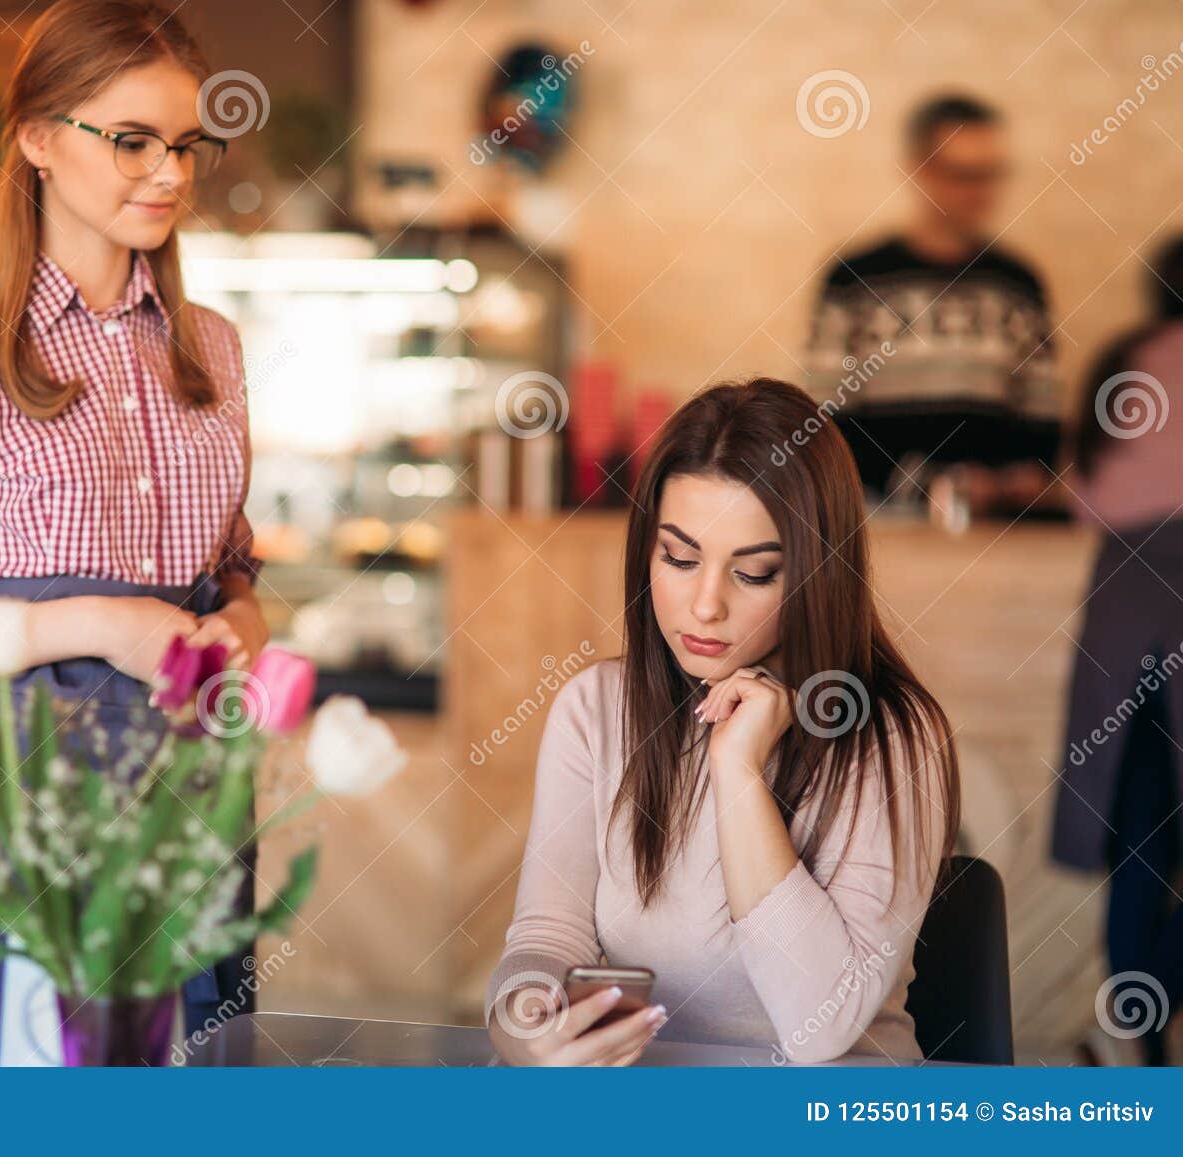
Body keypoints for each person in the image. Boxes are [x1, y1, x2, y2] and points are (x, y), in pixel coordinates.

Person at [0, 0, 267, 1052]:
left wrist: (239, 631)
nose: (167, 172)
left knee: (190, 1074)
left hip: (193, 788)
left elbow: (237, 569)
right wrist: (98, 625)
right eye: (130, 141)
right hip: (20, 798)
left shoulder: (214, 347)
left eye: (184, 144)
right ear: (34, 140)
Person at [486, 378, 960, 1066]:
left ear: (816, 573)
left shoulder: (891, 737)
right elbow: (543, 941)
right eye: (679, 558)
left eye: (755, 573)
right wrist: (529, 1029)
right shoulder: (597, 709)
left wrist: (738, 773)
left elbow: (818, 1028)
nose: (704, 605)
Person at [1052, 236, 1183, 1066]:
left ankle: (1132, 1038)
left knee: (1138, 843)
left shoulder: (1123, 360)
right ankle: (1139, 1032)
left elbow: (1084, 496)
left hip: (1119, 608)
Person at [805, 93, 1061, 515]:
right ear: (917, 169)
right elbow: (826, 424)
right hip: (878, 527)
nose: (980, 193)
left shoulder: (1018, 283)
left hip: (997, 532)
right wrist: (929, 487)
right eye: (963, 174)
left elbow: (1042, 424)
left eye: (990, 174)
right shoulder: (853, 281)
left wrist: (1000, 486)